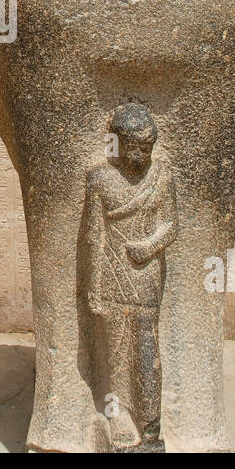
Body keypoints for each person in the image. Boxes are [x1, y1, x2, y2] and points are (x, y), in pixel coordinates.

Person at [82, 103, 178, 449]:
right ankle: (118, 417)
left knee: (147, 348)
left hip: (146, 276)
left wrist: (151, 244)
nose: (140, 157)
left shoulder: (161, 175)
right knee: (117, 353)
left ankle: (151, 425)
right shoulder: (100, 179)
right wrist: (93, 288)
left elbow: (170, 225)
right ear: (117, 144)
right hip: (111, 276)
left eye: (146, 149)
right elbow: (95, 236)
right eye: (133, 148)